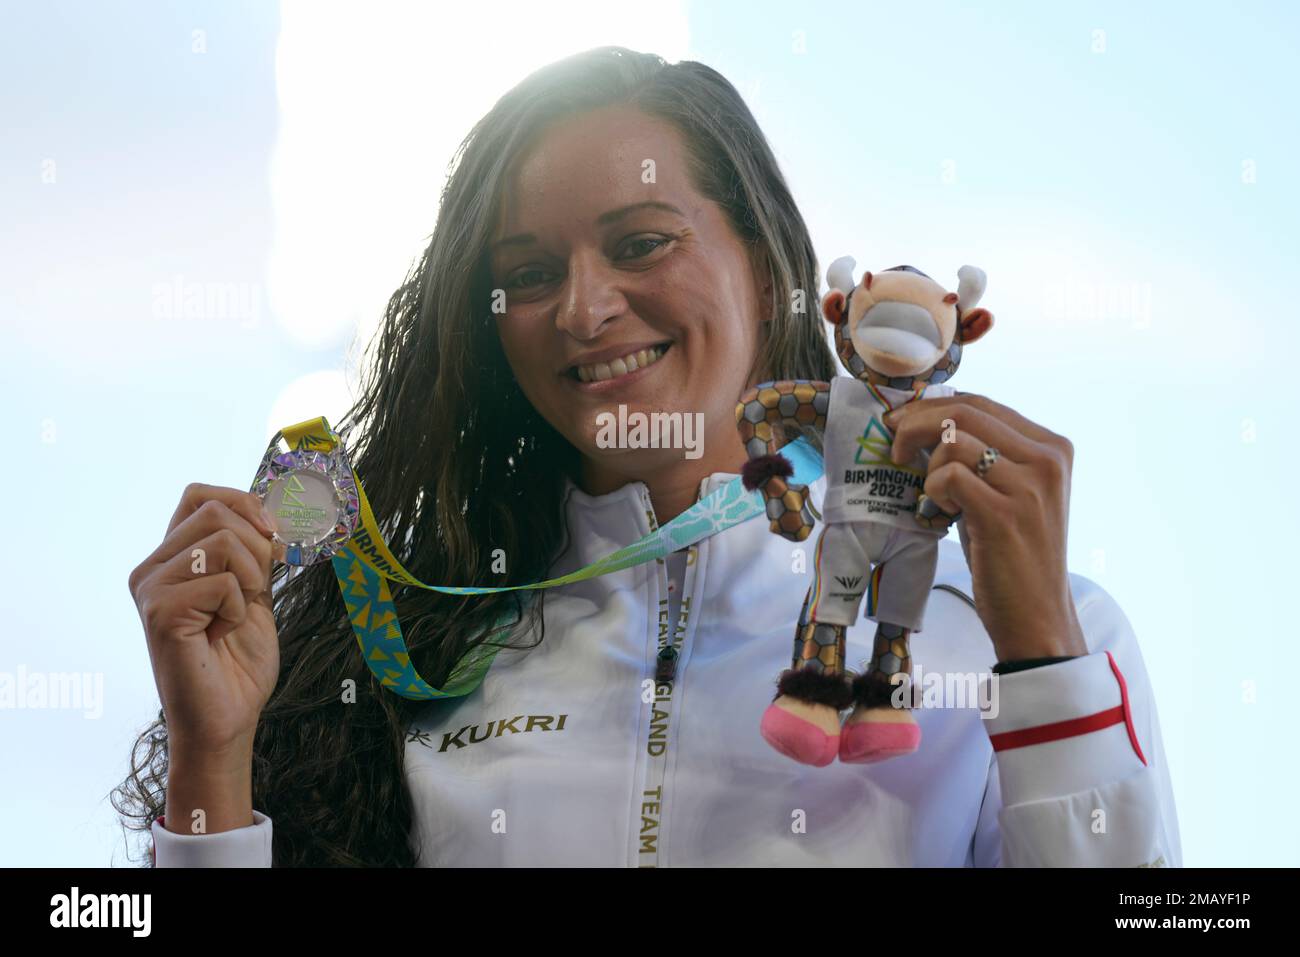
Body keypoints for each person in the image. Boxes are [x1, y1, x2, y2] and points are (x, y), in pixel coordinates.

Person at [116, 46, 1181, 867]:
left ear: (766, 270)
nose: (582, 309)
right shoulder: (412, 650)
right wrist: (214, 764)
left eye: (640, 243)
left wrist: (1042, 662)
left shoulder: (1023, 633)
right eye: (528, 272)